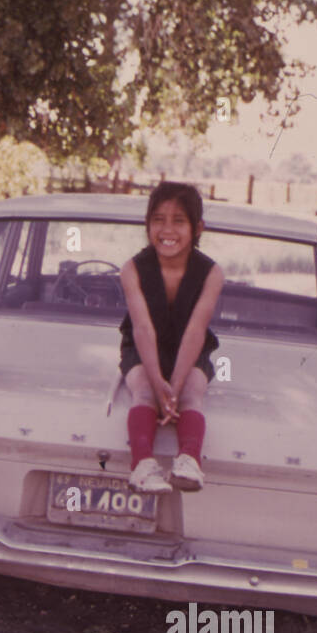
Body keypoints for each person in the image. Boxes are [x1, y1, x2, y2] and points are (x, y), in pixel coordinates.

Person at [118, 181, 224, 493]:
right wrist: (156, 379)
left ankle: (189, 461)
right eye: (158, 220)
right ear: (147, 224)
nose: (168, 230)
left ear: (197, 227)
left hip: (190, 349)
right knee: (144, 391)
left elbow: (195, 330)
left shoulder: (212, 273)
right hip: (142, 348)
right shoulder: (132, 269)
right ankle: (142, 466)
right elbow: (142, 329)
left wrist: (174, 388)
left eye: (179, 220)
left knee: (193, 391)